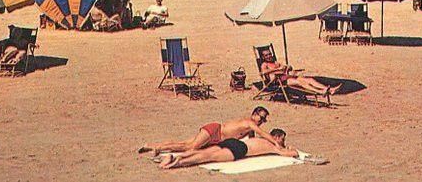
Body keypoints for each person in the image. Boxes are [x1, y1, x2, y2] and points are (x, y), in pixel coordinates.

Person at [138, 107, 281, 156]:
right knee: (190, 147)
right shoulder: (250, 123)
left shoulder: (250, 128)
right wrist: (276, 143)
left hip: (217, 137)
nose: (261, 121)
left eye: (264, 120)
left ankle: (152, 145)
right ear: (254, 114)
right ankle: (158, 148)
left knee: (185, 143)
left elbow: (252, 142)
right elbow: (263, 134)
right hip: (214, 130)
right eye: (261, 118)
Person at [159, 129, 299, 169]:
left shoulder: (262, 139)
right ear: (277, 137)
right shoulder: (273, 145)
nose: (283, 141)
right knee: (207, 158)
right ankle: (177, 163)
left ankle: (179, 156)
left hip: (233, 142)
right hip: (240, 149)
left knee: (204, 152)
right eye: (283, 139)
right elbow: (291, 153)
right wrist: (291, 149)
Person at [260, 48, 341, 96]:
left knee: (309, 79)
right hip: (278, 81)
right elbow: (263, 72)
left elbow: (288, 67)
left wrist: (288, 67)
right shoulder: (265, 64)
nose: (269, 56)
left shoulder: (276, 62)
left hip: (285, 76)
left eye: (269, 54)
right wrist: (278, 69)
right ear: (263, 57)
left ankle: (327, 89)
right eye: (266, 55)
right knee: (301, 82)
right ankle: (321, 91)